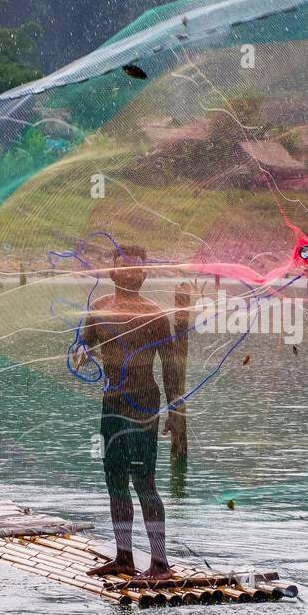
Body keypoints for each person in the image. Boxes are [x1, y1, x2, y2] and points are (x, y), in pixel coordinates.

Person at [74, 246, 185, 580]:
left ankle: (160, 564)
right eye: (124, 269)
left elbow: (170, 366)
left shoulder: (155, 315)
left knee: (144, 481)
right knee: (115, 480)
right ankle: (123, 557)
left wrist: (175, 412)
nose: (130, 275)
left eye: (137, 270)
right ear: (112, 273)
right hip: (112, 403)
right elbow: (85, 341)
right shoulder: (100, 308)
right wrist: (80, 349)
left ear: (145, 276)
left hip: (144, 404)